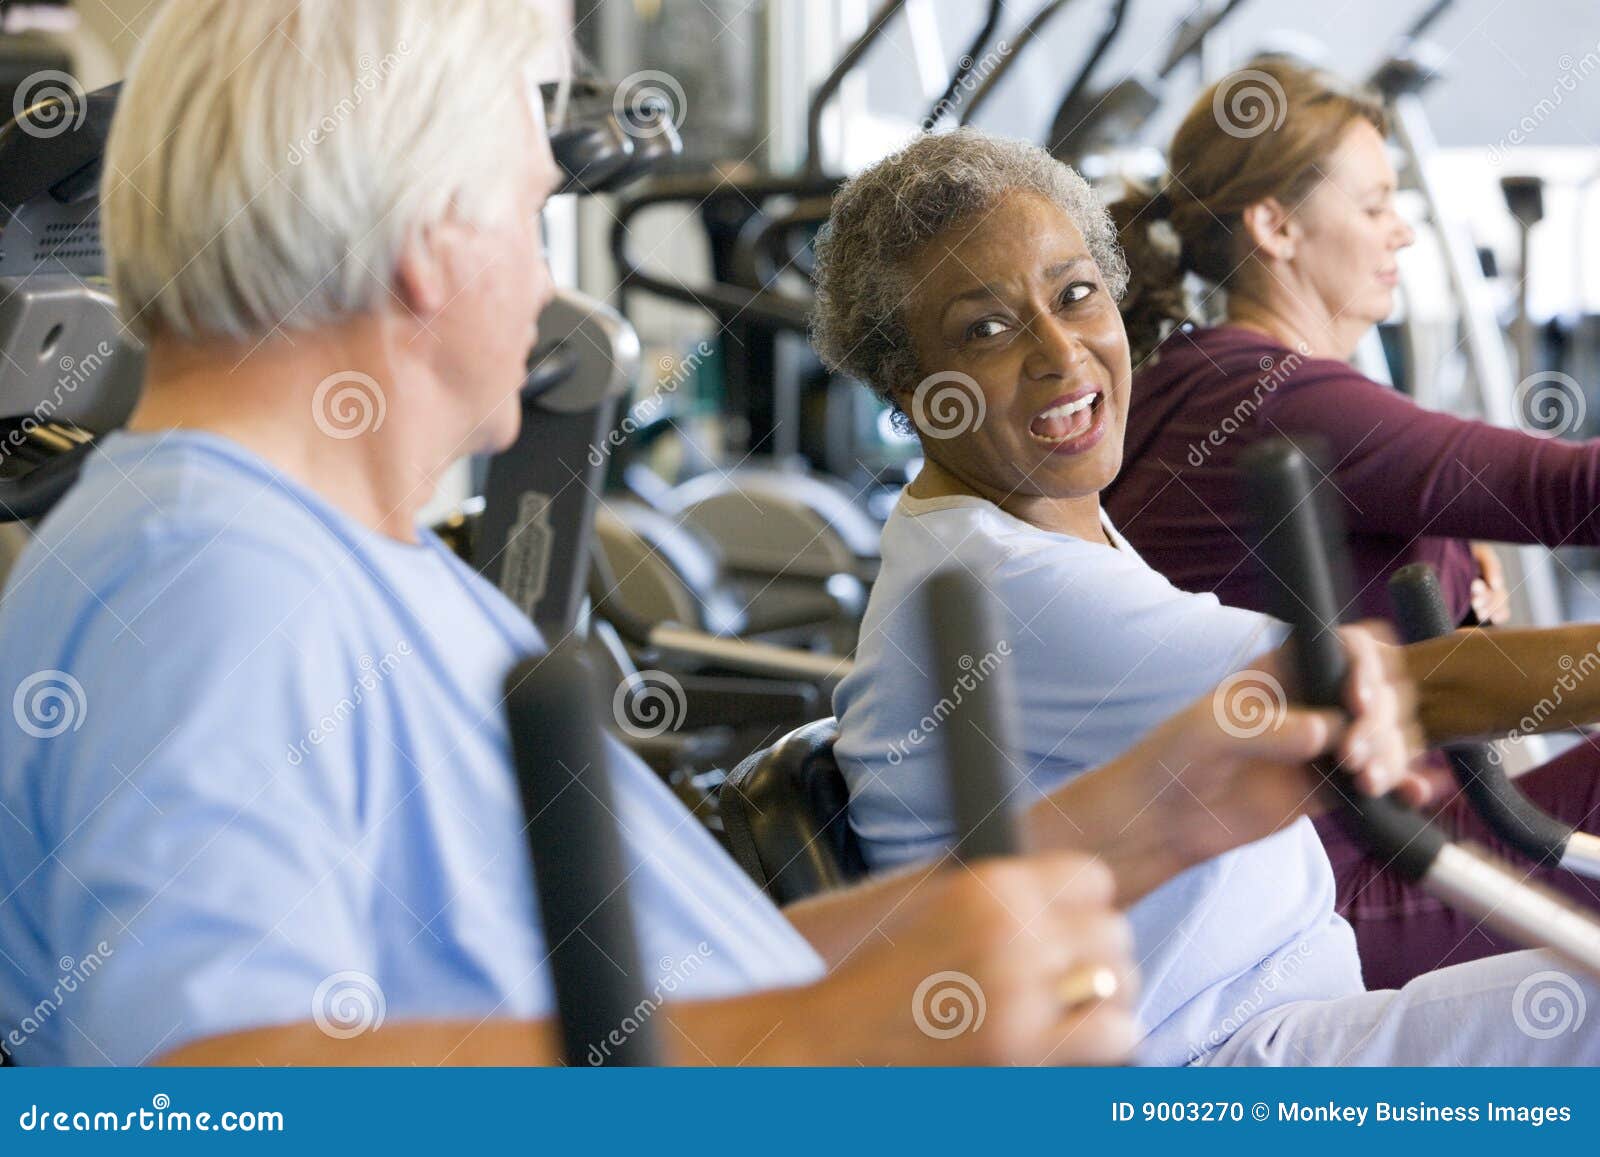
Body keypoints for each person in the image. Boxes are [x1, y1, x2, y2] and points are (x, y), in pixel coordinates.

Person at [0, 0, 1408, 1069]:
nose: (546, 287)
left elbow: (652, 1007)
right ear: (432, 240)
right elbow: (205, 1091)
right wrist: (826, 1034)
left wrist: (1146, 817)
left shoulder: (367, 571)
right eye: (531, 217)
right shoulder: (206, 577)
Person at [812, 125, 1600, 1066]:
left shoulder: (1023, 522)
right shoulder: (998, 581)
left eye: (1075, 294)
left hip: (1278, 1017)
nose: (1060, 352)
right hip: (1200, 1069)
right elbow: (1399, 688)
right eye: (986, 329)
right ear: (908, 385)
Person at [1099, 59, 1600, 987]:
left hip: (1363, 850)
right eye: (1373, 206)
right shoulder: (1274, 396)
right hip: (1332, 894)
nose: (1401, 229)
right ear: (1276, 226)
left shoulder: (1206, 376)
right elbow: (1572, 494)